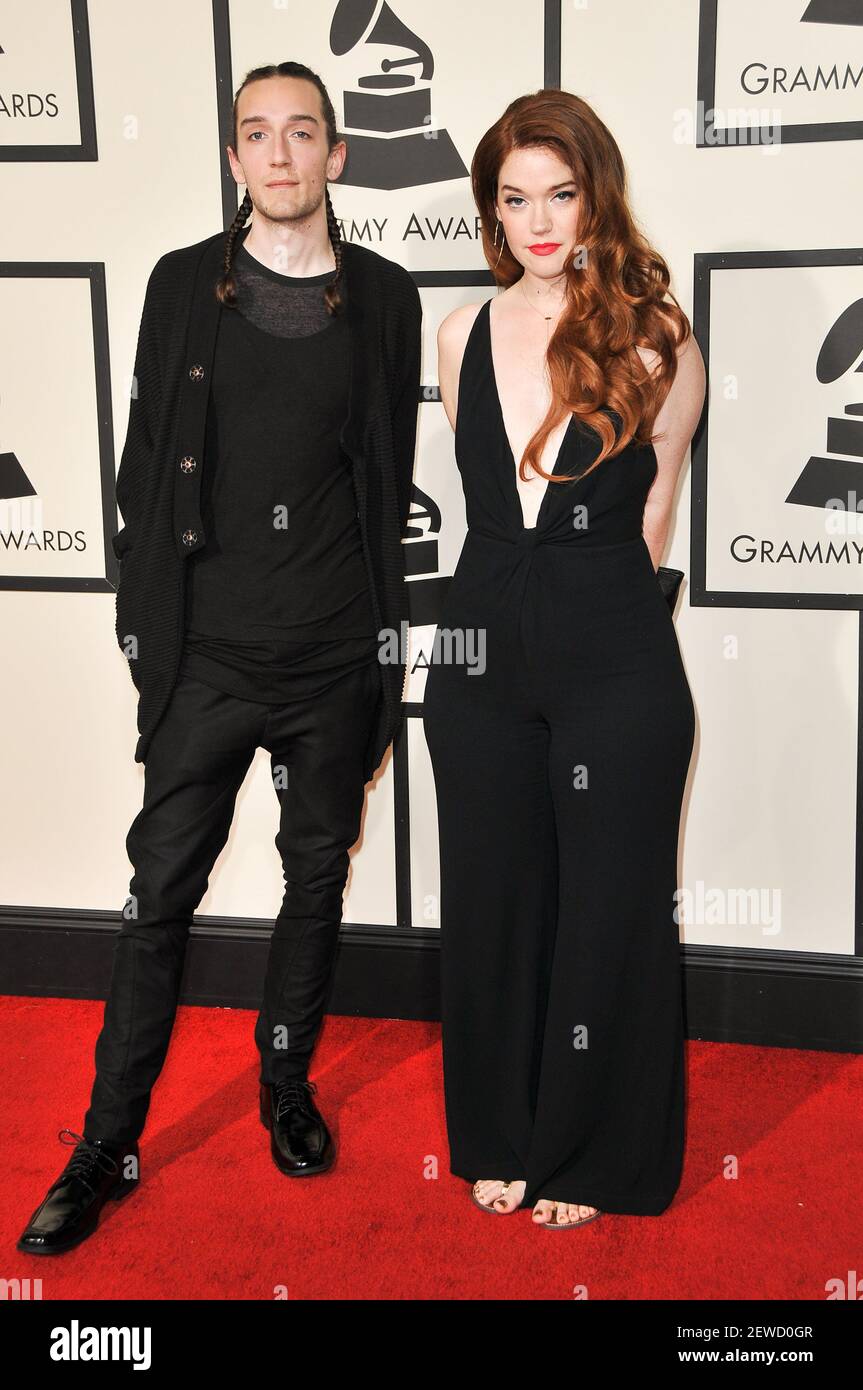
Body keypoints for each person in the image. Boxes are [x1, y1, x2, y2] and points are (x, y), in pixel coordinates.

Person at [18, 61, 421, 1255]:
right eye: (259, 135)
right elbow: (146, 468)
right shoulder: (183, 285)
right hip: (207, 661)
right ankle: (107, 1142)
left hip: (333, 658)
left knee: (315, 883)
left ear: (337, 156)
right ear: (235, 159)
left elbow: (384, 482)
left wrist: (373, 660)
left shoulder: (387, 300)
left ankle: (283, 1086)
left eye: (304, 133)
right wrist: (152, 645)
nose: (282, 154)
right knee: (157, 901)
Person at [424, 89, 705, 1229]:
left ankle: (589, 1150)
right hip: (480, 651)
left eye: (559, 192)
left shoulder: (656, 340)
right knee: (492, 899)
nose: (538, 220)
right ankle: (499, 1131)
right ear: (490, 209)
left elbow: (654, 518)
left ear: (594, 195)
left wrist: (611, 641)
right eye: (512, 197)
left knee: (609, 907)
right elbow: (489, 509)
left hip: (613, 657)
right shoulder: (457, 332)